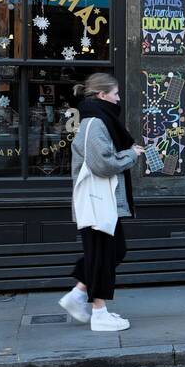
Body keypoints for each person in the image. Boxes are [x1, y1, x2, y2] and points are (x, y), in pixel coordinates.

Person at [59, 73, 146, 331]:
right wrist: (130, 155)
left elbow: (103, 157)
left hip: (103, 200)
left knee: (113, 251)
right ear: (102, 95)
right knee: (103, 253)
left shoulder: (99, 119)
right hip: (98, 201)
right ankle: (99, 312)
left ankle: (78, 293)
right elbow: (103, 164)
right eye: (116, 94)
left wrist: (127, 153)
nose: (118, 98)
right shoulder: (95, 122)